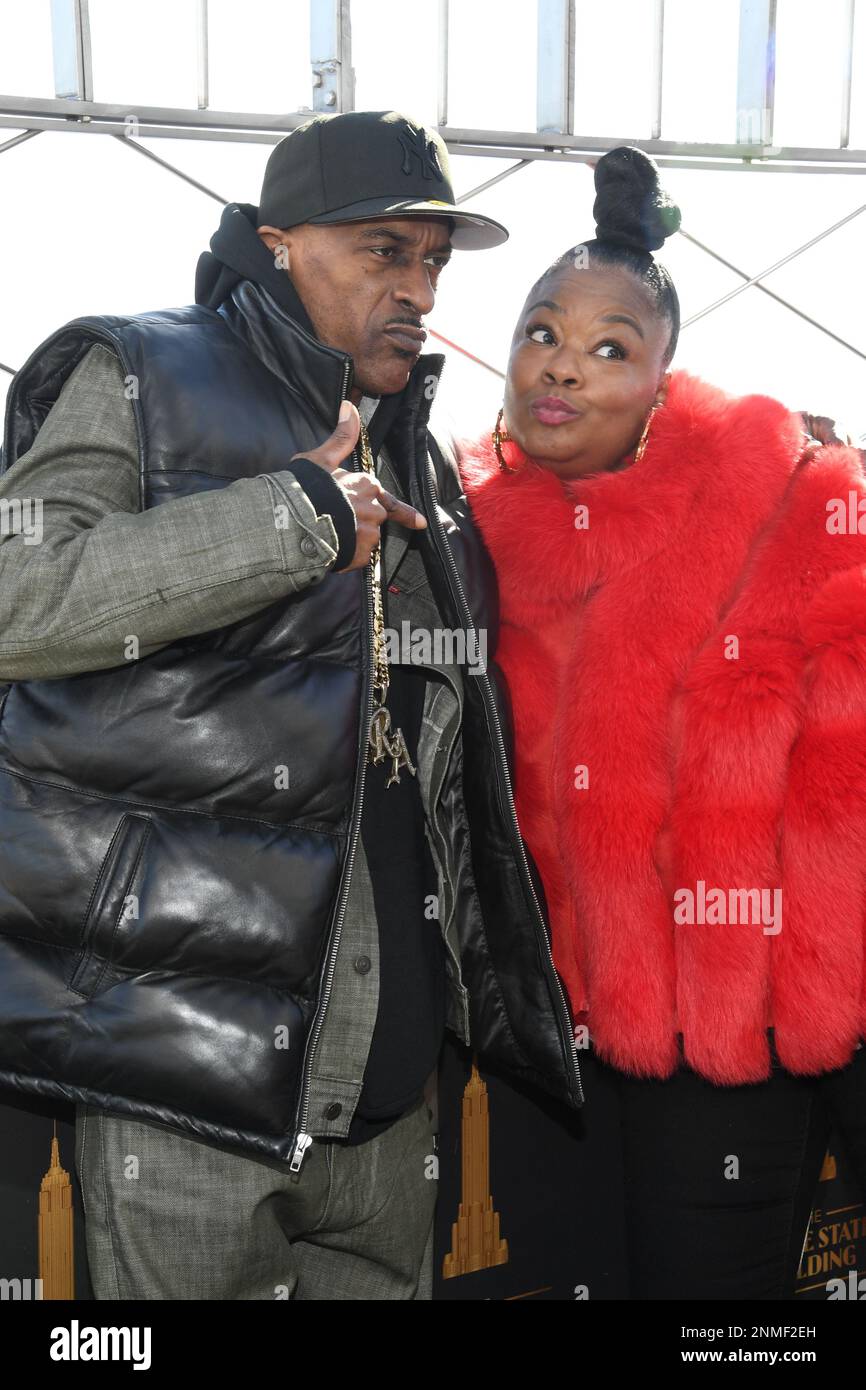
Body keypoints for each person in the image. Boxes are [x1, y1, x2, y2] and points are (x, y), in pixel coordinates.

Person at [0, 110, 583, 1301]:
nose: (416, 288)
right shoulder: (141, 374)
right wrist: (288, 518)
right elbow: (18, 598)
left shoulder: (415, 444)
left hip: (389, 1085)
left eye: (431, 259)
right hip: (190, 1076)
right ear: (277, 244)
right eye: (382, 251)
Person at [457, 144, 866, 1301]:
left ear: (659, 377)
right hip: (670, 1036)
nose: (563, 368)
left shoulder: (784, 493)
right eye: (543, 331)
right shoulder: (468, 540)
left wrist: (820, 965)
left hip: (821, 981)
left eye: (608, 348)